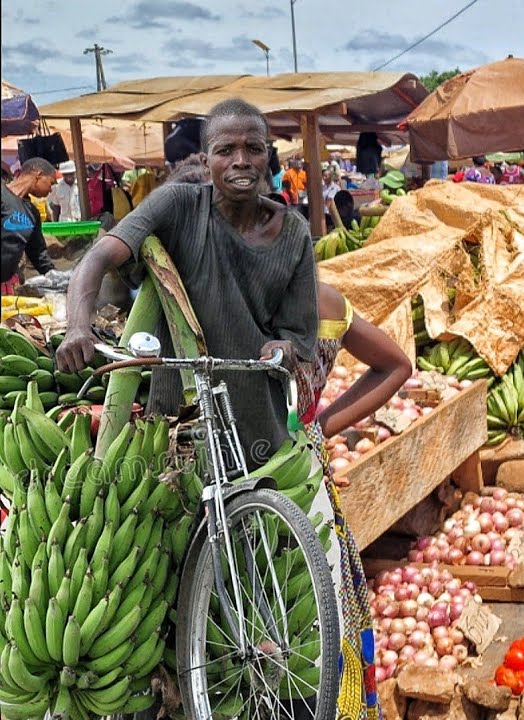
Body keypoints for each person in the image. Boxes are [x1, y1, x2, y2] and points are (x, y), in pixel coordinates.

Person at [56, 98, 318, 471]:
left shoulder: (293, 232)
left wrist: (286, 347)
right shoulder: (178, 205)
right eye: (225, 150)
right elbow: (98, 258)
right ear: (206, 159)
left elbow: (300, 333)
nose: (240, 160)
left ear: (266, 157)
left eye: (253, 149)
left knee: (259, 520)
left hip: (257, 421)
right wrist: (77, 326)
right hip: (176, 421)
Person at [297, 283, 411, 720]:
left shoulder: (219, 300)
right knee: (326, 625)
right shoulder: (323, 301)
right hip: (307, 488)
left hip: (239, 490)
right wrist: (317, 425)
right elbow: (397, 365)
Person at [2, 158, 58, 289]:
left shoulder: (32, 213)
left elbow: (38, 253)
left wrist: (54, 275)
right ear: (38, 175)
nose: (50, 190)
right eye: (51, 183)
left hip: (7, 285)